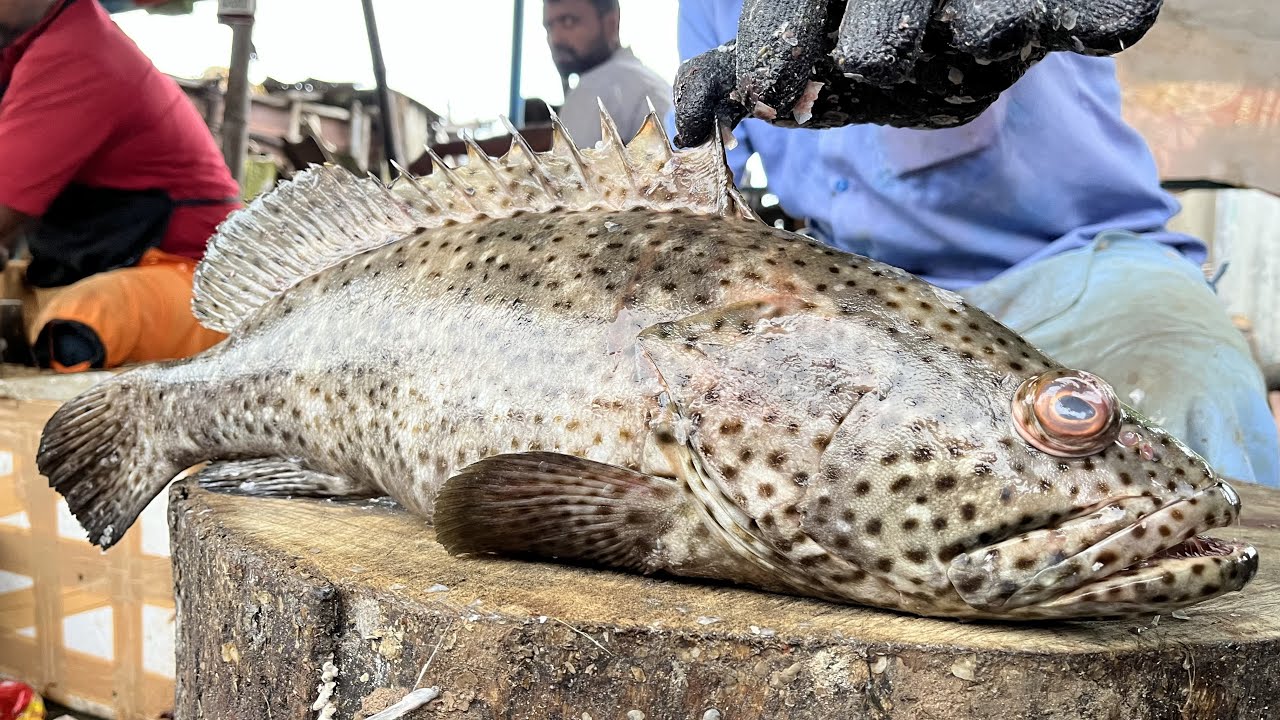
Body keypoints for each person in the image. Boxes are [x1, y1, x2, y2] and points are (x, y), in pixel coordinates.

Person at [668, 0, 1280, 488]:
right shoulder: (704, 6)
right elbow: (701, 158)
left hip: (1081, 266)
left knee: (1196, 402)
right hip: (859, 295)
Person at [0, 0, 239, 372]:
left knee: (84, 320)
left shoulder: (80, 50)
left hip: (197, 281)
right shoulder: (21, 50)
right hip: (101, 265)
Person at [543, 0, 672, 146]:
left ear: (611, 23)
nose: (555, 38)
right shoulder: (648, 80)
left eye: (568, 22)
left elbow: (566, 168)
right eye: (549, 27)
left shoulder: (593, 88)